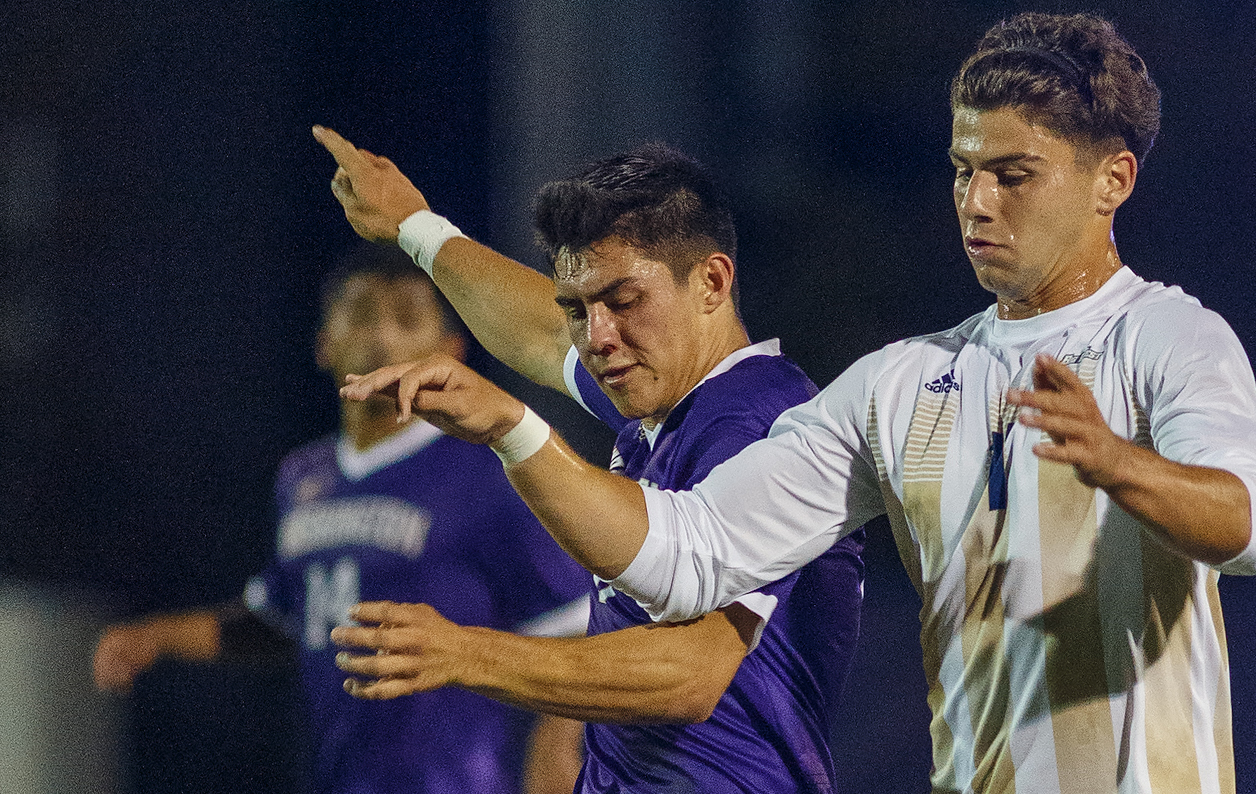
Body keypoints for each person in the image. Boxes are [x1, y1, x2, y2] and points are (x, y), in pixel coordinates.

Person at [336, 13, 1256, 794]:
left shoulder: (1167, 337)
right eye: (963, 170)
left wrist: (1120, 463)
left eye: (1013, 174)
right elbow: (684, 552)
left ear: (1110, 181)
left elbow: (1251, 526)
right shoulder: (900, 381)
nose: (976, 201)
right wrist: (511, 426)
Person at [314, 134, 866, 794]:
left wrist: (466, 650)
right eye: (579, 307)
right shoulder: (664, 400)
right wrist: (414, 225)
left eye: (623, 300)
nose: (598, 335)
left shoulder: (764, 428)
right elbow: (541, 331)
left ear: (712, 282)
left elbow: (690, 673)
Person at [92, 245, 591, 794]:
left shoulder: (491, 470)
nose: (381, 335)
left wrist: (555, 759)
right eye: (360, 313)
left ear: (451, 351)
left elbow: (572, 630)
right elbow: (282, 618)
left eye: (406, 317)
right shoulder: (302, 476)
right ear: (323, 342)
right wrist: (156, 637)